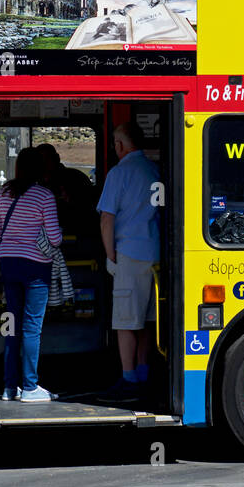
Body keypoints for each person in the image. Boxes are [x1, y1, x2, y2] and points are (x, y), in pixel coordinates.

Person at [97, 121, 162, 403]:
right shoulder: (154, 170)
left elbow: (106, 219)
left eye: (115, 142)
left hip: (129, 253)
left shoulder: (119, 173)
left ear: (121, 145)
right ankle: (145, 372)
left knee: (125, 321)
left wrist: (111, 255)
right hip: (154, 253)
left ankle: (128, 379)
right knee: (148, 320)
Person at [0, 147, 62, 402]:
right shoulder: (44, 196)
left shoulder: (4, 192)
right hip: (35, 268)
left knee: (11, 327)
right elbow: (54, 238)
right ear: (40, 168)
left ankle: (10, 387)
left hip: (8, 265)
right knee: (32, 327)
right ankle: (31, 387)